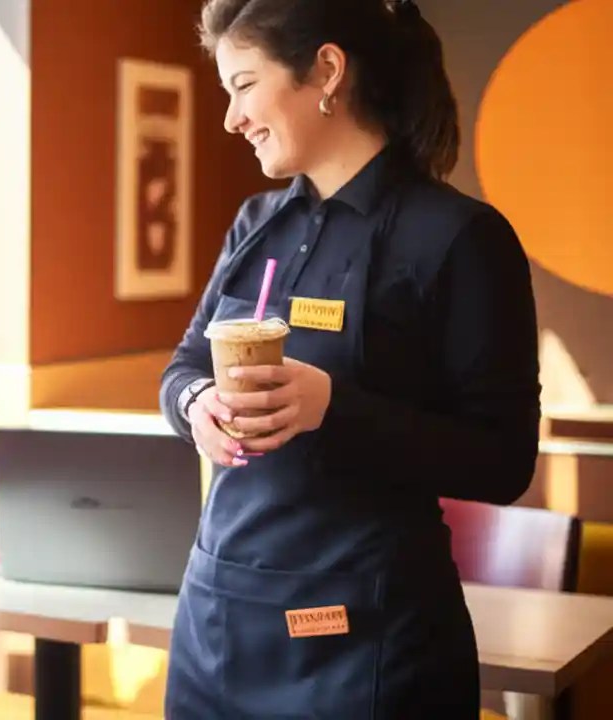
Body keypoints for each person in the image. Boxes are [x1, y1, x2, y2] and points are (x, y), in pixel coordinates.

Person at [159, 0, 541, 717]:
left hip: (365, 637)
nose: (230, 119)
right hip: (218, 620)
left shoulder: (461, 239)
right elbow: (182, 367)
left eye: (243, 85)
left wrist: (334, 407)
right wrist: (194, 405)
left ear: (327, 72)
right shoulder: (254, 225)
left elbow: (504, 460)